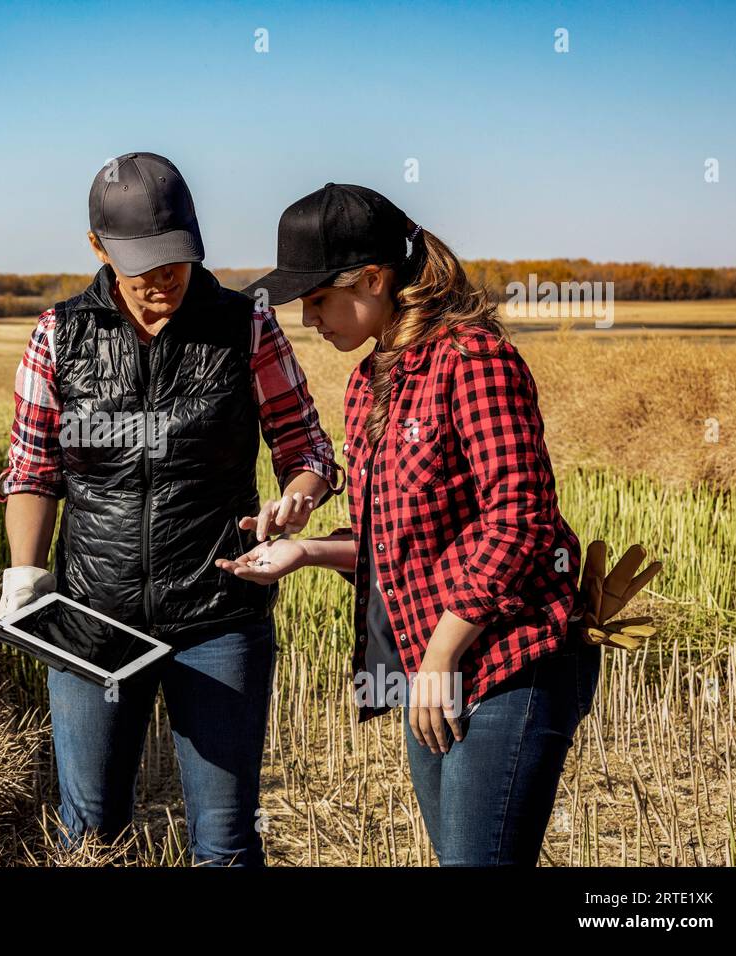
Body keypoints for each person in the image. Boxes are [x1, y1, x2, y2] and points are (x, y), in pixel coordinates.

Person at [218, 183, 602, 866]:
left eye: (316, 299)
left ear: (372, 279)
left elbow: (521, 516)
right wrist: (303, 551)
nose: (309, 319)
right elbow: (395, 539)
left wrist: (441, 655)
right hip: (434, 666)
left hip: (510, 661)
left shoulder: (472, 359)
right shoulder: (370, 381)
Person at [0, 153, 341, 866]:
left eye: (175, 266)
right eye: (142, 270)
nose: (161, 286)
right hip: (93, 617)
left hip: (218, 616)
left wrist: (299, 499)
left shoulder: (247, 327)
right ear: (98, 248)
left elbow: (307, 447)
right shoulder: (59, 335)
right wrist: (25, 578)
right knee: (89, 836)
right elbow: (33, 469)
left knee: (225, 843)